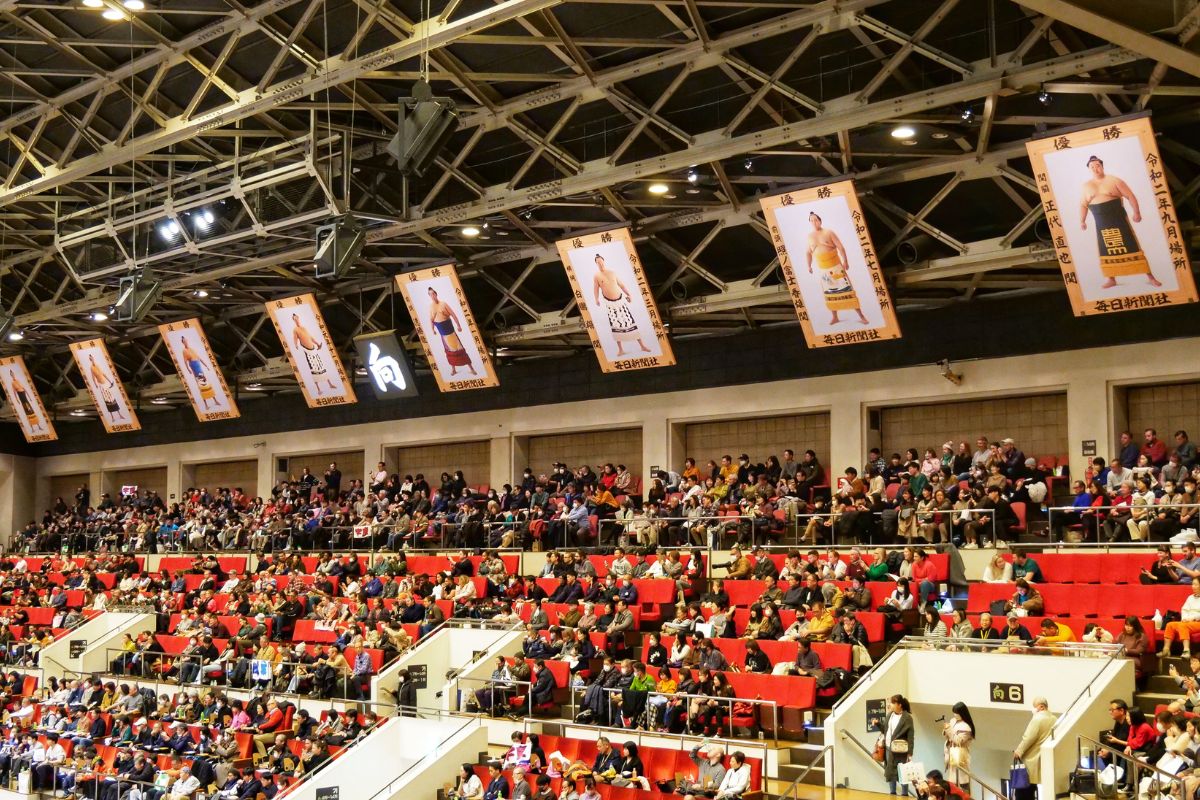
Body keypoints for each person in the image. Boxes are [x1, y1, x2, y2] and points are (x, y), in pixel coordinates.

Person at [1079, 154, 1160, 287]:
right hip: (1101, 224)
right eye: (1092, 167)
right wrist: (1082, 220)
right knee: (1105, 249)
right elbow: (1083, 204)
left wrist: (1137, 212)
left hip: (1118, 219)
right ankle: (1111, 279)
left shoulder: (1115, 180)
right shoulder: (1086, 186)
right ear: (1089, 169)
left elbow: (1130, 195)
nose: (1095, 168)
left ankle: (1150, 277)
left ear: (1102, 166)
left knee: (1132, 244)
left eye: (1097, 165)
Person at [805, 211, 868, 326]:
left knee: (847, 291)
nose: (814, 222)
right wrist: (809, 265)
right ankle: (835, 317)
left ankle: (861, 316)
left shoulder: (829, 232)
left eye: (816, 220)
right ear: (809, 222)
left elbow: (840, 247)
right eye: (811, 220)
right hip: (823, 270)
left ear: (820, 221)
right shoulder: (809, 236)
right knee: (830, 294)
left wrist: (845, 261)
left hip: (836, 266)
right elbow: (808, 252)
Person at [591, 254, 650, 356]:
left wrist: (629, 294)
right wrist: (596, 299)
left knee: (630, 321)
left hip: (620, 301)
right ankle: (620, 349)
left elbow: (621, 285)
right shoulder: (596, 276)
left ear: (604, 261)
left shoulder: (612, 272)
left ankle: (642, 345)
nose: (600, 263)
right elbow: (596, 288)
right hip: (609, 304)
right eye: (598, 262)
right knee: (615, 325)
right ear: (596, 263)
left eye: (601, 261)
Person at [427, 287, 476, 376]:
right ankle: (453, 369)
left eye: (433, 293)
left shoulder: (443, 304)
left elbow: (453, 315)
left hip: (450, 330)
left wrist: (458, 325)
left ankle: (471, 368)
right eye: (430, 294)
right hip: (442, 333)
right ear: (429, 296)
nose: (432, 295)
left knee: (459, 349)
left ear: (436, 294)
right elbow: (431, 319)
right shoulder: (431, 307)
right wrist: (432, 329)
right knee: (449, 351)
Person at [1013, 696, 1055, 800]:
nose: (1033, 709)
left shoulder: (1037, 719)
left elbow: (1028, 738)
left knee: (1023, 790)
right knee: (1033, 788)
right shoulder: (1054, 719)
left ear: (1041, 707)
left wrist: (1019, 751)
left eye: (1035, 707)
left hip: (1031, 759)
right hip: (1045, 758)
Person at [1162, 577, 1200, 659]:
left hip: (1197, 622)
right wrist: (1184, 618)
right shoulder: (1190, 597)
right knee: (1170, 625)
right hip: (1187, 621)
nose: (1193, 586)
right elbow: (1184, 609)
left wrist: (1191, 619)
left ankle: (1186, 651)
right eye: (1192, 584)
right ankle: (1166, 650)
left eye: (1196, 584)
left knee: (1183, 626)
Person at [884, 694, 914, 796]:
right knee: (890, 770)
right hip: (889, 747)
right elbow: (885, 730)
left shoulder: (907, 718)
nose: (891, 705)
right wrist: (877, 724)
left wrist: (910, 753)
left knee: (902, 772)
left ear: (899, 705)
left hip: (900, 749)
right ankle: (892, 793)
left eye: (893, 703)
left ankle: (905, 794)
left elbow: (910, 736)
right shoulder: (890, 715)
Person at [942, 702, 974, 787]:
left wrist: (948, 729)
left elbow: (958, 740)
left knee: (962, 779)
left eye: (957, 712)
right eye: (954, 712)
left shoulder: (966, 727)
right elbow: (949, 736)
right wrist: (946, 730)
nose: (955, 714)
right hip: (951, 752)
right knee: (952, 780)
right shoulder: (953, 721)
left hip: (960, 754)